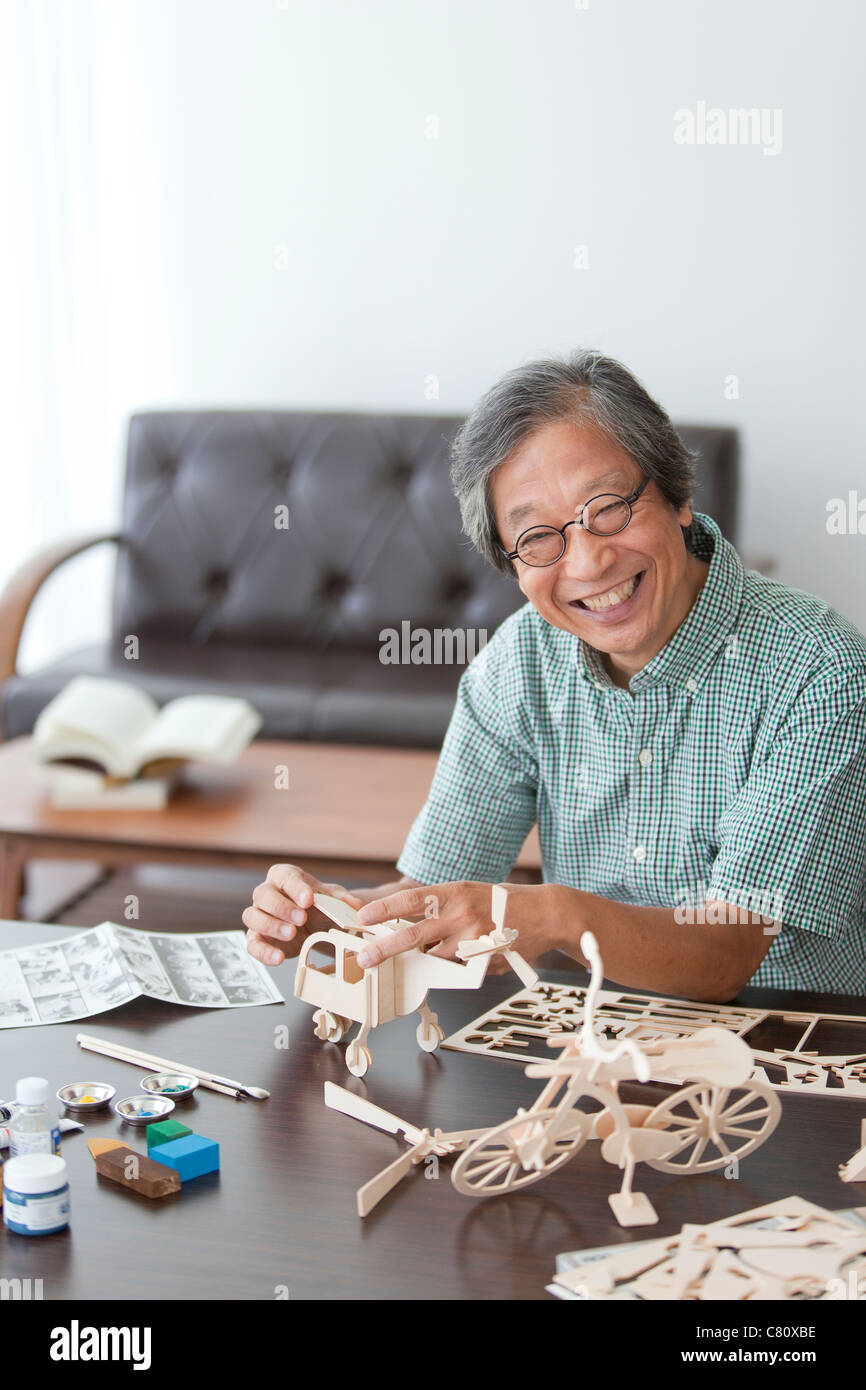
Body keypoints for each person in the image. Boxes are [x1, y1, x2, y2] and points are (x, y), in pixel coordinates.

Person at [244, 351, 866, 1001]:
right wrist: (343, 916)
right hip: (596, 1041)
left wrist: (552, 914)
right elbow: (439, 890)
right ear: (511, 562)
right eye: (540, 537)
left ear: (678, 497)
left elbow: (728, 950)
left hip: (800, 1048)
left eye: (611, 508)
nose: (590, 562)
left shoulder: (821, 673)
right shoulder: (519, 663)